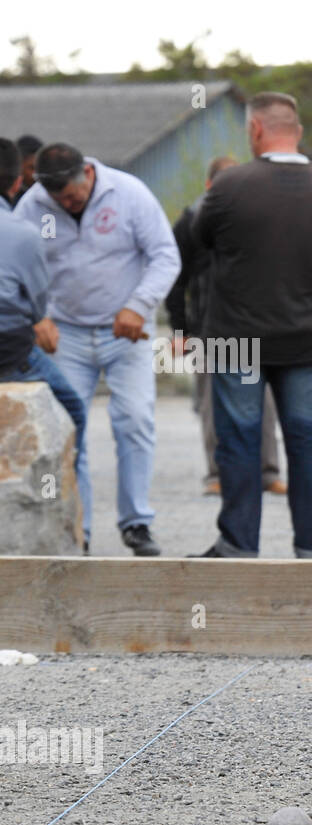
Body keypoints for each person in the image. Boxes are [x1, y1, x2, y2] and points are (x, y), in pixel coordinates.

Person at [191, 92, 312, 559]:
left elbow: (202, 240)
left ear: (255, 130)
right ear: (296, 131)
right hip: (306, 334)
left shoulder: (229, 186)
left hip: (236, 337)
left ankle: (239, 543)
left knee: (238, 438)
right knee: (306, 436)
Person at [14, 142, 179, 556]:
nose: (68, 204)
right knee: (70, 431)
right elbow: (13, 267)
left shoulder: (130, 194)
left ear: (87, 173)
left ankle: (137, 522)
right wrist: (37, 315)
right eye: (60, 200)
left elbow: (165, 255)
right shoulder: (32, 208)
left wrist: (138, 306)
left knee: (135, 421)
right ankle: (77, 526)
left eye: (73, 195)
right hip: (64, 333)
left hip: (126, 330)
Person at [166, 154, 284, 498]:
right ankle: (216, 474)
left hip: (254, 329)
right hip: (207, 330)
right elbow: (176, 281)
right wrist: (179, 331)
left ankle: (267, 472)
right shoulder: (189, 222)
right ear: (209, 186)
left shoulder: (259, 220)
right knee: (210, 405)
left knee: (263, 404)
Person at [0, 139, 87, 527]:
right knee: (72, 409)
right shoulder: (21, 232)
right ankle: (53, 500)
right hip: (10, 354)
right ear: (18, 183)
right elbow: (36, 307)